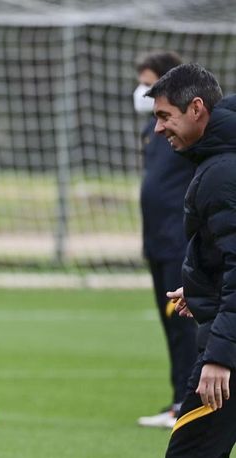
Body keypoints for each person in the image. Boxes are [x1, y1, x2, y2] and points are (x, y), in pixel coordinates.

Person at [106, 64, 236, 458]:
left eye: (165, 116)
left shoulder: (222, 173)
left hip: (229, 353)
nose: (158, 128)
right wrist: (201, 292)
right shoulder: (218, 161)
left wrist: (219, 355)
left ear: (197, 110)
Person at [132, 51, 198, 430]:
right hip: (155, 241)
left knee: (183, 325)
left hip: (178, 242)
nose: (142, 89)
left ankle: (185, 402)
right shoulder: (152, 130)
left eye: (148, 81)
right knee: (169, 324)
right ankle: (178, 398)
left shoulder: (186, 132)